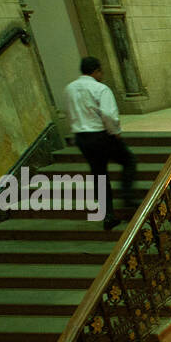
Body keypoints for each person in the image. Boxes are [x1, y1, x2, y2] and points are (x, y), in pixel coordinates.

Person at [65, 56, 137, 229]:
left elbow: (69, 112)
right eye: (101, 71)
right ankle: (127, 194)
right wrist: (116, 132)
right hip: (101, 135)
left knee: (99, 174)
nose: (102, 75)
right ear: (96, 70)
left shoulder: (70, 89)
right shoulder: (100, 88)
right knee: (128, 160)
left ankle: (108, 215)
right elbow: (108, 114)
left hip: (82, 138)